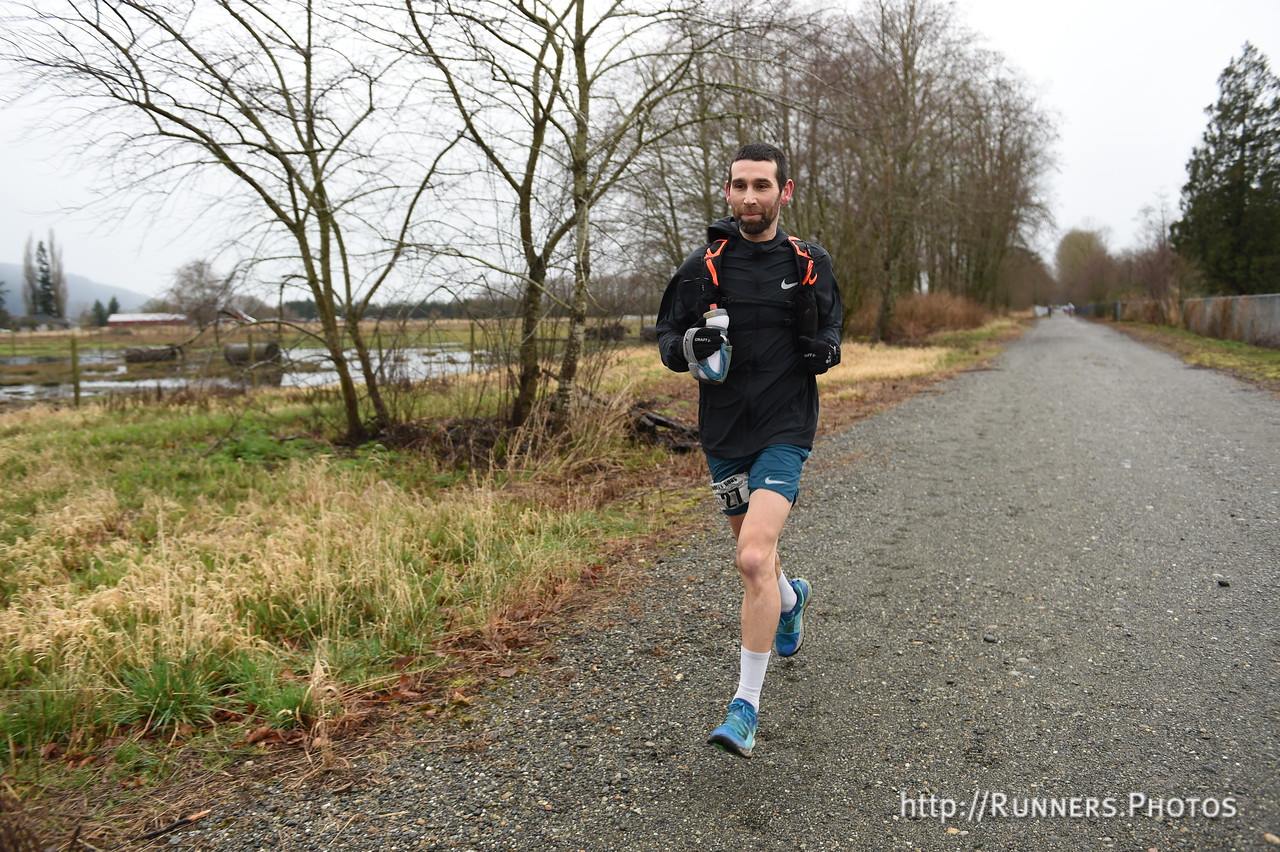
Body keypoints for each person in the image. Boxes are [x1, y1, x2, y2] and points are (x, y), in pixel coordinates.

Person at [655, 142, 843, 758]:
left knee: (754, 557)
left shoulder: (809, 262)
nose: (749, 198)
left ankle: (745, 707)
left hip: (786, 425)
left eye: (763, 186)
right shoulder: (701, 266)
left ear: (784, 192)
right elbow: (665, 342)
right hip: (725, 431)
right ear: (728, 190)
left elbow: (833, 327)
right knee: (753, 557)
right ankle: (790, 602)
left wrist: (825, 350)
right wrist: (692, 342)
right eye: (740, 186)